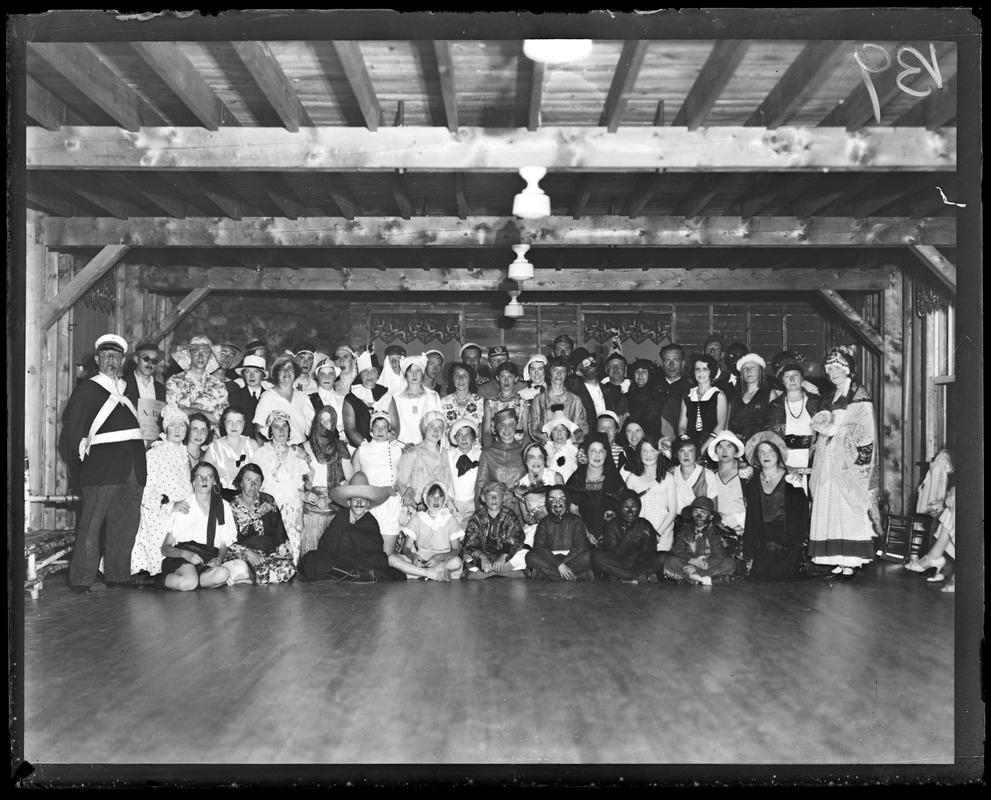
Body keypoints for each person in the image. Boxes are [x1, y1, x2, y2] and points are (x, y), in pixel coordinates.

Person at [808, 346, 880, 580]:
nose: (833, 373)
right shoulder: (829, 396)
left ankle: (851, 560)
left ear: (848, 370)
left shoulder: (858, 394)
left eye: (837, 368)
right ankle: (836, 559)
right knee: (830, 504)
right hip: (828, 456)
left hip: (848, 459)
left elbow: (865, 429)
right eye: (829, 369)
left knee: (847, 507)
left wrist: (838, 432)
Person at [298, 472, 451, 582]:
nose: (358, 504)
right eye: (355, 500)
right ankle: (353, 575)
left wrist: (350, 537)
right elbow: (326, 544)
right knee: (311, 559)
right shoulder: (340, 517)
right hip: (339, 560)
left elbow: (374, 549)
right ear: (349, 502)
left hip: (361, 561)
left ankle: (345, 574)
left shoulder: (370, 521)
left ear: (368, 503)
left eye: (363, 500)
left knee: (380, 560)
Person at [157, 461, 247, 591]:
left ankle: (196, 580)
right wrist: (185, 554)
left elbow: (224, 544)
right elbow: (165, 548)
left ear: (214, 482)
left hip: (207, 558)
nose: (204, 480)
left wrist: (219, 559)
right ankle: (157, 580)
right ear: (193, 482)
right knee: (189, 582)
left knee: (223, 574)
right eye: (200, 477)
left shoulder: (224, 507)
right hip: (184, 556)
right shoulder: (185, 506)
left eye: (209, 477)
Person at [130, 404, 193, 584]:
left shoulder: (183, 453)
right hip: (157, 515)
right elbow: (145, 490)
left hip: (178, 515)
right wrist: (169, 506)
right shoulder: (155, 453)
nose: (177, 429)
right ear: (165, 428)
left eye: (182, 425)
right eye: (172, 425)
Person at [742, 431, 810, 581]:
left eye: (770, 451)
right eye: (761, 452)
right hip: (766, 539)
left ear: (778, 454)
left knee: (782, 573)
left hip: (788, 539)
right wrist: (750, 552)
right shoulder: (753, 484)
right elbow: (752, 520)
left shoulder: (791, 479)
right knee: (761, 574)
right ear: (757, 457)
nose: (766, 456)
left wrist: (791, 541)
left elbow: (802, 515)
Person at [222, 463, 297, 585]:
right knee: (239, 568)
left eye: (257, 480)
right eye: (249, 480)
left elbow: (279, 532)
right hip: (242, 554)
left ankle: (249, 579)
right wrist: (247, 552)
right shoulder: (230, 506)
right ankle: (250, 576)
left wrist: (281, 555)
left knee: (289, 569)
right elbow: (225, 538)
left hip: (267, 553)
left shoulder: (268, 501)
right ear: (241, 483)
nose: (253, 485)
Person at [253, 410, 312, 561]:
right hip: (270, 511)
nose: (281, 430)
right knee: (272, 556)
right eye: (276, 426)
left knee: (293, 556)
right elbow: (253, 484)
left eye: (284, 426)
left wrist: (303, 506)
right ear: (270, 430)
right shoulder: (260, 454)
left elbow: (305, 484)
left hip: (292, 511)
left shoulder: (297, 454)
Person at [300, 404, 353, 556]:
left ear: (334, 423)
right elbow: (295, 481)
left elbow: (350, 479)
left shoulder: (340, 447)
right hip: (309, 509)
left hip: (334, 506)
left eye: (328, 421)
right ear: (316, 421)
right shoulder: (302, 447)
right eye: (321, 420)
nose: (324, 424)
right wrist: (305, 495)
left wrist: (330, 498)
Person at [763, 357, 819, 493]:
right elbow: (771, 439)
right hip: (786, 462)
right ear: (782, 380)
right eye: (787, 376)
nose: (792, 379)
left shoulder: (817, 402)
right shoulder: (774, 406)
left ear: (802, 378)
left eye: (795, 375)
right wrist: (783, 466)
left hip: (813, 461)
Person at [350, 411, 405, 548]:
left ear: (389, 431)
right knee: (368, 549)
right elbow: (355, 483)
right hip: (370, 504)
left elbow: (402, 479)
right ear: (371, 430)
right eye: (376, 426)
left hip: (391, 502)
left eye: (384, 427)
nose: (380, 430)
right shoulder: (361, 451)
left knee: (387, 553)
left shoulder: (398, 450)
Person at [591, 489, 665, 583]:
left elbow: (650, 553)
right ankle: (637, 576)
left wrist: (634, 557)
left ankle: (620, 576)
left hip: (638, 562)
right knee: (597, 556)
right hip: (618, 562)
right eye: (626, 508)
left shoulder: (645, 524)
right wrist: (630, 535)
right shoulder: (612, 525)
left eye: (633, 507)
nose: (630, 512)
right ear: (619, 508)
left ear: (639, 508)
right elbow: (615, 555)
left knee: (663, 557)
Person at [566, 431, 623, 547]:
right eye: (593, 451)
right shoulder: (576, 480)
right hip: (581, 533)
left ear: (607, 454)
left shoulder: (615, 479)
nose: (597, 455)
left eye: (601, 451)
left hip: (611, 534)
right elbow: (573, 510)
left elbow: (621, 508)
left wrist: (607, 533)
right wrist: (587, 534)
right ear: (586, 453)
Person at [396, 482, 464, 579]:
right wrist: (413, 557)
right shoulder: (417, 518)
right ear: (425, 498)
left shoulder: (451, 519)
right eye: (432, 496)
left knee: (457, 562)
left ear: (444, 498)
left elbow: (456, 549)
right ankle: (431, 573)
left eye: (440, 497)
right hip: (421, 558)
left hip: (443, 559)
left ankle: (419, 573)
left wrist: (440, 557)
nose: (436, 500)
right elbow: (406, 548)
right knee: (392, 559)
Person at [663, 496, 736, 586]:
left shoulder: (714, 534)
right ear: (691, 514)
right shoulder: (684, 531)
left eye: (703, 513)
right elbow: (678, 550)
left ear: (710, 516)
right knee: (670, 561)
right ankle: (705, 579)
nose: (699, 516)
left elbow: (720, 555)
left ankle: (693, 578)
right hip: (688, 562)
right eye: (695, 512)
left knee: (729, 563)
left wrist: (698, 567)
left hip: (706, 565)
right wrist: (692, 561)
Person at [526, 486, 594, 581]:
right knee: (530, 556)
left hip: (571, 559)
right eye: (553, 499)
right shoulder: (544, 522)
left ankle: (546, 575)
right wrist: (559, 565)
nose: (557, 503)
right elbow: (539, 546)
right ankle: (577, 576)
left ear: (568, 500)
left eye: (562, 498)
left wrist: (562, 564)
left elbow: (580, 547)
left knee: (590, 555)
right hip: (551, 558)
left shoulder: (576, 520)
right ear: (547, 502)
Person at [462, 480, 528, 579]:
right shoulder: (476, 517)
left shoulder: (509, 515)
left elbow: (517, 539)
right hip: (483, 558)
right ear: (483, 498)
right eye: (490, 495)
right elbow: (470, 544)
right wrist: (483, 557)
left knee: (524, 551)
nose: (494, 499)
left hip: (506, 557)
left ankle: (489, 573)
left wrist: (503, 556)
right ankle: (504, 572)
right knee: (467, 559)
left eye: (497, 495)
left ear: (504, 498)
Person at [624, 434, 678, 551]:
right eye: (644, 451)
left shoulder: (668, 478)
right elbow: (626, 509)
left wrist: (658, 533)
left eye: (652, 451)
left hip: (662, 534)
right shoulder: (633, 478)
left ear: (659, 452)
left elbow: (672, 512)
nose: (648, 455)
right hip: (638, 534)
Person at [166, 335, 229, 430]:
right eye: (196, 351)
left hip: (211, 441)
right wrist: (208, 415)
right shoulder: (175, 382)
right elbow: (171, 414)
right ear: (188, 354)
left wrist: (192, 411)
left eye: (205, 352)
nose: (201, 356)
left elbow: (223, 419)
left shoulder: (219, 386)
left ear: (211, 355)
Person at [397, 411, 453, 517]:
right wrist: (416, 505)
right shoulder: (412, 452)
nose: (436, 431)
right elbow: (400, 482)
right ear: (424, 428)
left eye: (440, 427)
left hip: (440, 512)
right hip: (416, 512)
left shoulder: (446, 454)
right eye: (431, 426)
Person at [514, 442, 565, 552]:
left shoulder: (555, 477)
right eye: (531, 457)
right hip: (534, 527)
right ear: (525, 460)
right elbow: (525, 516)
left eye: (540, 457)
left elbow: (566, 506)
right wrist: (535, 518)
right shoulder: (521, 484)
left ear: (545, 460)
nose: (536, 462)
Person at [342, 350, 400, 447]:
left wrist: (392, 436)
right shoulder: (350, 398)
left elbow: (395, 425)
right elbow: (350, 429)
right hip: (359, 449)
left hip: (384, 448)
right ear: (360, 375)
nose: (369, 375)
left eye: (373, 370)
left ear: (378, 373)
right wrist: (367, 448)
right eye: (365, 371)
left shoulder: (387, 396)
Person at [253, 352, 312, 446]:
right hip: (277, 454)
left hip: (301, 453)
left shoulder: (303, 397)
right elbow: (259, 431)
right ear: (276, 374)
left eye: (289, 368)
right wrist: (261, 456)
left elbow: (312, 430)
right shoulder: (268, 397)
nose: (286, 372)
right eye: (282, 369)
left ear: (295, 371)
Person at [474, 407, 527, 511]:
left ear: (516, 425)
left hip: (521, 510)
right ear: (496, 428)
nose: (506, 429)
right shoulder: (488, 454)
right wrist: (482, 515)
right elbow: (481, 487)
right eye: (502, 425)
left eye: (510, 424)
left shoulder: (525, 451)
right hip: (496, 510)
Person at [529, 356, 588, 446]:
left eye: (563, 371)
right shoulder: (539, 399)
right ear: (549, 373)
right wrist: (547, 440)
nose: (559, 375)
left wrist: (571, 440)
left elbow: (584, 427)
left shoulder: (575, 400)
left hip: (570, 449)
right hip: (546, 449)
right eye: (555, 370)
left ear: (566, 374)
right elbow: (533, 427)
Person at [678, 352, 729, 455]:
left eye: (705, 369)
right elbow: (682, 426)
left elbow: (720, 426)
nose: (701, 373)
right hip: (690, 445)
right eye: (697, 369)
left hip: (712, 444)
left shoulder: (719, 396)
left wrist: (703, 448)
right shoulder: (687, 396)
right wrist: (687, 442)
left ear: (711, 372)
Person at [707, 430, 750, 541]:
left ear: (736, 451)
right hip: (720, 526)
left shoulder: (748, 472)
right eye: (720, 447)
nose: (724, 451)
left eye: (729, 446)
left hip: (746, 525)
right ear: (715, 451)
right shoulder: (710, 475)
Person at [727, 352, 779, 445]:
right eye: (745, 368)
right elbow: (727, 425)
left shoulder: (770, 394)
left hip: (760, 445)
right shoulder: (734, 397)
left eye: (753, 367)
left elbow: (773, 425)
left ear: (760, 372)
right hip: (736, 445)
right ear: (741, 374)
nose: (748, 371)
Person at [123, 341, 167, 443]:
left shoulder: (161, 389)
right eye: (146, 359)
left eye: (154, 361)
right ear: (136, 359)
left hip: (155, 445)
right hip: (130, 442)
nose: (150, 363)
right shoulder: (123, 384)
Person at [204, 405, 258, 489]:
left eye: (238, 422)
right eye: (229, 421)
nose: (234, 426)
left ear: (244, 423)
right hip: (223, 496)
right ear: (224, 423)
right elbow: (205, 476)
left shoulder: (252, 445)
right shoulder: (214, 448)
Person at [393, 354, 442, 446]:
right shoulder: (396, 397)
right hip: (401, 446)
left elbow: (438, 424)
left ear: (422, 373)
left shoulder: (432, 396)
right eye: (410, 371)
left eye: (418, 371)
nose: (414, 375)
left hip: (426, 446)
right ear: (405, 374)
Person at [302, 359, 349, 447]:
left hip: (338, 445)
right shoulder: (306, 396)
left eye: (330, 374)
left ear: (335, 376)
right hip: (313, 444)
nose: (326, 378)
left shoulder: (343, 400)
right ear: (317, 377)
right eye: (322, 374)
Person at [481, 361, 528, 446]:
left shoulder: (523, 403)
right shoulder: (490, 403)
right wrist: (491, 449)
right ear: (498, 378)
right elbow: (486, 432)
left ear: (516, 378)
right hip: (496, 446)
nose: (506, 380)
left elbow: (527, 433)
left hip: (517, 446)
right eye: (503, 376)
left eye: (510, 376)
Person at [670, 433, 719, 512]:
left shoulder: (707, 475)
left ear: (696, 453)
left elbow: (713, 509)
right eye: (682, 451)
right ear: (676, 453)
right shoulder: (671, 475)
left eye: (690, 451)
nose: (686, 455)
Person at [447, 418, 482, 527]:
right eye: (459, 435)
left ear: (474, 437)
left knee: (468, 532)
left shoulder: (480, 455)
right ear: (454, 438)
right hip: (451, 503)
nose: (464, 438)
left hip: (472, 503)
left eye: (468, 434)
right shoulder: (448, 455)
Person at [226, 354, 268, 440]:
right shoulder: (234, 396)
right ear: (243, 375)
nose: (252, 376)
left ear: (262, 375)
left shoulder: (269, 396)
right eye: (248, 372)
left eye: (256, 371)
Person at [439, 362, 484, 441]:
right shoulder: (443, 402)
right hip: (449, 450)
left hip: (474, 450)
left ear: (470, 379)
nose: (461, 378)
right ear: (452, 379)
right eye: (457, 375)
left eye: (465, 375)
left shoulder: (481, 402)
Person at [626, 358, 666, 440]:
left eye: (644, 371)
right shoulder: (626, 397)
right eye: (637, 371)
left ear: (650, 374)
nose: (640, 375)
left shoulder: (660, 397)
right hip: (632, 441)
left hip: (652, 443)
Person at [656, 343, 690, 438]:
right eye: (667, 360)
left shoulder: (691, 390)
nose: (671, 365)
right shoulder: (653, 388)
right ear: (662, 364)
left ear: (682, 363)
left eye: (676, 360)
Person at [566, 347, 606, 427]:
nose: (592, 364)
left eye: (592, 360)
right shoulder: (576, 395)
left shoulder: (609, 389)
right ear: (579, 372)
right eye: (586, 364)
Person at [542, 411, 580, 483]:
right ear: (551, 433)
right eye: (555, 430)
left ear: (567, 433)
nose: (559, 433)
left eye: (563, 429)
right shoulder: (545, 450)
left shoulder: (574, 451)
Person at [599, 351, 631, 420]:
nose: (615, 369)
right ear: (606, 369)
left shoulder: (633, 389)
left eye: (620, 365)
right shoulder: (599, 390)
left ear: (625, 369)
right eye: (611, 365)